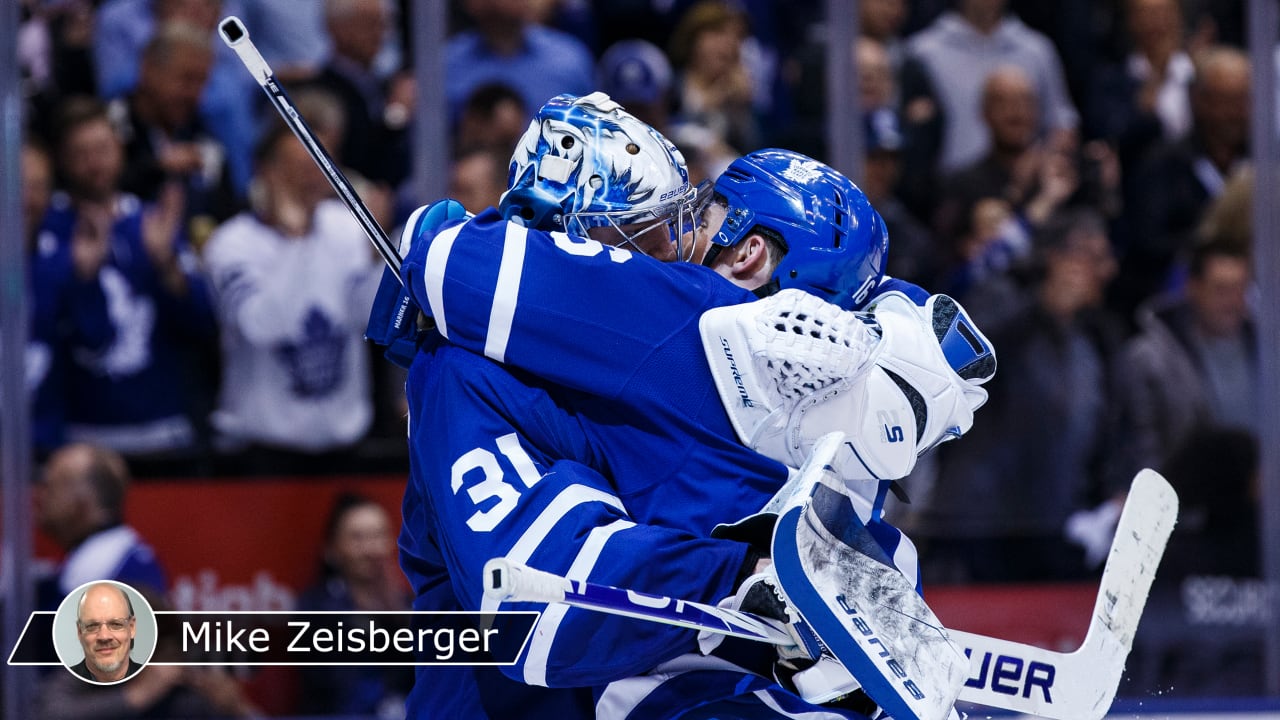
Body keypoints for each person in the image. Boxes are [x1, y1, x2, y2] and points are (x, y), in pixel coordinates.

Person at [369, 92, 991, 718]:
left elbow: (452, 258)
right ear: (573, 241)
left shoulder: (678, 331)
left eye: (688, 223)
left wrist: (429, 236)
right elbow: (533, 612)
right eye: (650, 232)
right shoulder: (467, 372)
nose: (672, 253)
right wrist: (738, 584)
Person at [202, 96, 382, 471]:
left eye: (319, 165)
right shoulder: (231, 245)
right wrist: (296, 240)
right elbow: (262, 326)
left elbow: (370, 319)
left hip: (344, 447)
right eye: (296, 167)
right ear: (263, 171)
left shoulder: (347, 227)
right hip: (264, 454)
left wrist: (376, 255)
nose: (310, 180)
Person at [44, 96, 219, 465]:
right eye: (81, 152)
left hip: (161, 429)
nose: (95, 163)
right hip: (82, 434)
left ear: (120, 149)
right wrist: (77, 275)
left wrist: (167, 265)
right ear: (61, 160)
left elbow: (203, 323)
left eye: (103, 148)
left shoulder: (151, 223)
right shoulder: (48, 227)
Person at [295, 493, 413, 715]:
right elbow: (342, 689)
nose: (372, 549)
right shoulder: (316, 610)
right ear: (331, 549)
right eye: (358, 538)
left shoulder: (408, 605)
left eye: (379, 535)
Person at [35, 443, 168, 611]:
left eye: (51, 488)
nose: (40, 497)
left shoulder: (98, 569)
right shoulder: (120, 550)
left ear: (81, 501)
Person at [71, 582, 143, 683]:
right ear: (79, 632)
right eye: (92, 626)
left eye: (116, 624)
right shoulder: (57, 687)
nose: (104, 636)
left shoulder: (157, 686)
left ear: (132, 628)